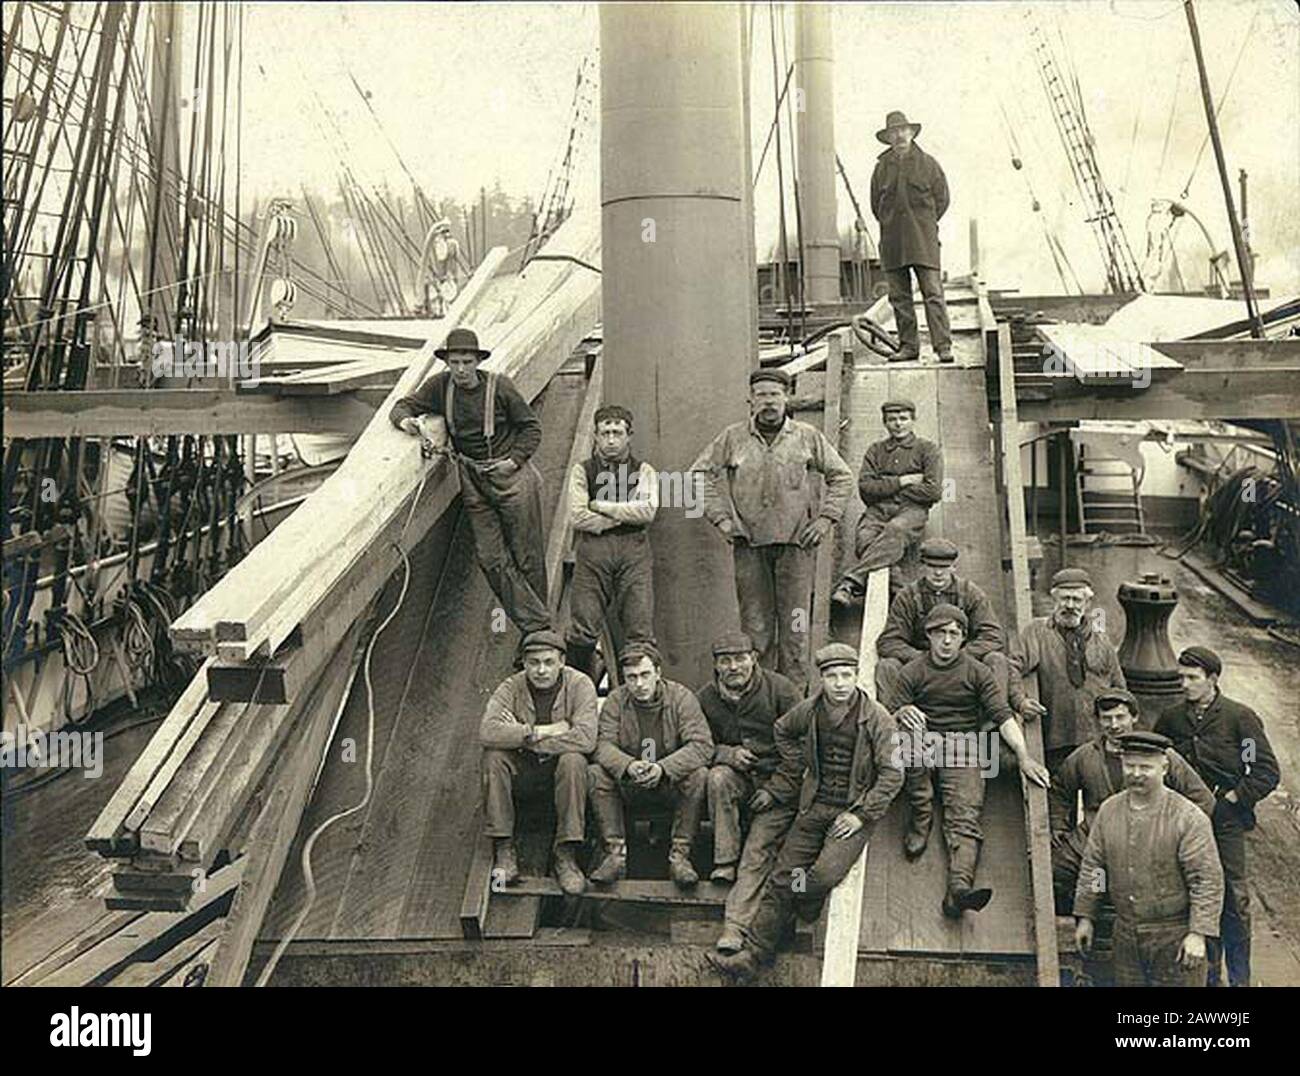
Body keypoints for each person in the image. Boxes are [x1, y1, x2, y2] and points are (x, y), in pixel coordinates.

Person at [705, 643, 904, 983]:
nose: (840, 683)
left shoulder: (878, 719)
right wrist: (799, 762)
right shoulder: (810, 711)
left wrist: (861, 815)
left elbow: (893, 773)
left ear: (856, 677)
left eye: (846, 675)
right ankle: (752, 956)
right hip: (814, 808)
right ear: (821, 679)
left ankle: (799, 907)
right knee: (784, 876)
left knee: (821, 876)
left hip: (852, 814)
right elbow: (782, 730)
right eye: (831, 676)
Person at [885, 604, 1051, 917]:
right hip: (924, 742)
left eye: (953, 634)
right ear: (929, 636)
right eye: (939, 634)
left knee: (965, 816)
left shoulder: (977, 671)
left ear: (963, 638)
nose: (946, 641)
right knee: (905, 746)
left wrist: (1024, 756)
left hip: (965, 745)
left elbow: (1002, 717)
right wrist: (900, 712)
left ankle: (959, 890)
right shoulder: (912, 671)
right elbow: (887, 717)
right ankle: (921, 814)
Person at [692, 368, 854, 687]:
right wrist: (722, 519)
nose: (769, 402)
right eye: (762, 395)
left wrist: (825, 519)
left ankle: (794, 706)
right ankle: (763, 705)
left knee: (796, 632)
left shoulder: (807, 437)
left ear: (786, 398)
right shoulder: (732, 438)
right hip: (749, 551)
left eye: (775, 395)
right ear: (750, 401)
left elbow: (842, 476)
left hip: (796, 553)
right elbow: (698, 475)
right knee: (756, 632)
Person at [391, 326, 550, 636]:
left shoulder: (499, 387)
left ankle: (537, 638)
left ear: (477, 361)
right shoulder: (441, 387)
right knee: (490, 558)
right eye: (455, 363)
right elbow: (403, 406)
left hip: (511, 477)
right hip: (473, 479)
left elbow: (531, 428)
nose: (461, 370)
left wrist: (513, 461)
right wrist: (407, 422)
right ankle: (539, 625)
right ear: (447, 363)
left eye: (466, 362)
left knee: (527, 556)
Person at [1155, 647, 1280, 988]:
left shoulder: (1240, 718)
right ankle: (1205, 976)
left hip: (1225, 822)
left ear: (1212, 679)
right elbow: (1157, 764)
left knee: (1233, 901)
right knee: (1189, 893)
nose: (1184, 685)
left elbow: (1262, 770)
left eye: (1193, 678)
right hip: (1182, 819)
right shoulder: (1171, 719)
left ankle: (1239, 979)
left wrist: (1232, 799)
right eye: (1181, 677)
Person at [1074, 731, 1225, 988]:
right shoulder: (1108, 811)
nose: (1136, 774)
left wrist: (1198, 933)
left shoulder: (1188, 817)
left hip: (1174, 938)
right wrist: (1087, 916)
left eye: (1146, 767)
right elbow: (1096, 870)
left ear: (1164, 767)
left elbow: (1205, 881)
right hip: (1126, 938)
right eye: (1130, 766)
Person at [1050, 688, 1213, 915]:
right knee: (1056, 872)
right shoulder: (1085, 756)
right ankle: (1082, 922)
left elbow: (1202, 799)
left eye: (1120, 717)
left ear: (1134, 717)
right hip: (1093, 838)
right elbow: (1059, 790)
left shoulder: (1159, 755)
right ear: (1097, 721)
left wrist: (1171, 832)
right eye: (1106, 719)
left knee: (1144, 890)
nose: (1114, 725)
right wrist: (1058, 825)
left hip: (1145, 839)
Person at [695, 632, 802, 953]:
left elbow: (804, 750)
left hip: (780, 788)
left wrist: (775, 790)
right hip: (740, 781)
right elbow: (697, 745)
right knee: (717, 778)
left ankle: (735, 927)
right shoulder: (706, 698)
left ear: (754, 658)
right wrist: (728, 754)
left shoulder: (781, 690)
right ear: (716, 666)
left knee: (757, 850)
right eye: (725, 661)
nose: (733, 667)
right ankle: (724, 860)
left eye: (740, 658)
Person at [478, 630, 597, 895]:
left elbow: (586, 739)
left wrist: (521, 737)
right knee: (494, 757)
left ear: (562, 661)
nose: (541, 670)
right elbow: (487, 732)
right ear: (524, 663)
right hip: (525, 773)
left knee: (574, 760)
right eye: (534, 663)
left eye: (548, 662)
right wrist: (543, 731)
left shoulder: (580, 685)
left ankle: (566, 853)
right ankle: (504, 846)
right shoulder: (511, 687)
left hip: (560, 774)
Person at [587, 642, 713, 888]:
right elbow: (602, 745)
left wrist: (664, 769)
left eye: (645, 675)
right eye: (631, 678)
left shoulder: (681, 698)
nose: (639, 684)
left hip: (669, 786)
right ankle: (614, 854)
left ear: (658, 672)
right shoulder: (615, 701)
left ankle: (680, 857)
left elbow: (701, 745)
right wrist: (628, 766)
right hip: (630, 786)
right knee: (595, 773)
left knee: (699, 775)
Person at [565, 404, 659, 678]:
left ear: (629, 435)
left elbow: (647, 511)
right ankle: (575, 696)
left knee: (639, 629)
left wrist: (602, 506)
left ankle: (640, 696)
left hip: (634, 551)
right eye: (605, 432)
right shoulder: (582, 470)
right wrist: (624, 515)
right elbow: (578, 517)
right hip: (593, 552)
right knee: (582, 628)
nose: (611, 439)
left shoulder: (644, 470)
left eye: (617, 432)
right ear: (595, 435)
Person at [1008, 567, 1126, 772]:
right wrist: (1020, 701)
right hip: (1056, 737)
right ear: (1054, 600)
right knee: (1060, 796)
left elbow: (1119, 686)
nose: (1070, 606)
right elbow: (1012, 667)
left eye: (1077, 600)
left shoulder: (1100, 638)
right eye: (1064, 599)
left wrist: (1121, 726)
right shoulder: (1036, 632)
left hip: (1097, 739)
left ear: (1087, 603)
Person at [832, 399, 942, 606]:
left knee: (895, 530)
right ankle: (900, 591)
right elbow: (866, 488)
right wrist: (904, 481)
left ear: (913, 421)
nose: (898, 424)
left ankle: (851, 581)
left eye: (903, 418)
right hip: (877, 511)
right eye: (892, 419)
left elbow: (933, 491)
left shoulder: (928, 450)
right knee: (865, 539)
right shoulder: (875, 450)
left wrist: (886, 488)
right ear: (885, 423)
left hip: (912, 512)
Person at [874, 537, 1007, 700]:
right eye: (932, 566)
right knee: (887, 666)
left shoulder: (970, 593)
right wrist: (923, 658)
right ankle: (894, 719)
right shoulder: (907, 596)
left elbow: (993, 636)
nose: (938, 573)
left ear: (954, 567)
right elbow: (889, 642)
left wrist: (960, 656)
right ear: (922, 566)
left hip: (963, 664)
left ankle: (994, 720)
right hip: (921, 666)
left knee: (996, 659)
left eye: (944, 567)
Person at [870, 110, 953, 363]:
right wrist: (890, 225)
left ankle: (943, 347)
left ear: (912, 133)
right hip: (893, 243)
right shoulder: (881, 169)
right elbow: (876, 205)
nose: (899, 135)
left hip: (922, 242)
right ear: (888, 137)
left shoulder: (929, 164)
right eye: (894, 132)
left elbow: (943, 199)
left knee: (933, 293)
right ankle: (909, 347)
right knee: (900, 297)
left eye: (903, 130)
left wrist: (924, 224)